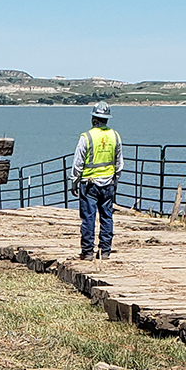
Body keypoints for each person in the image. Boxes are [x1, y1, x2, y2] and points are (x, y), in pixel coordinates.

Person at [72, 102, 120, 259]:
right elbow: (119, 163)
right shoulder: (115, 136)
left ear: (94, 118)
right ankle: (105, 251)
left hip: (89, 183)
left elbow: (78, 162)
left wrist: (74, 181)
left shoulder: (86, 137)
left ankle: (87, 252)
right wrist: (115, 181)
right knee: (107, 216)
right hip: (108, 182)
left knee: (88, 218)